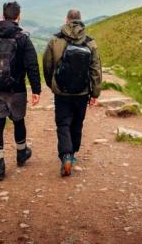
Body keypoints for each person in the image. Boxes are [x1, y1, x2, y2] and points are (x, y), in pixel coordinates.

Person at [0, 1, 41, 181]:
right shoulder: (23, 39)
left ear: (2, 16)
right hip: (17, 89)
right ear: (18, 17)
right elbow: (32, 66)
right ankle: (21, 155)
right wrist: (36, 90)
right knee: (18, 122)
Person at [43, 9, 102, 177]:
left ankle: (66, 155)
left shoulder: (55, 40)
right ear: (80, 21)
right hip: (82, 92)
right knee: (77, 123)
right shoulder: (90, 42)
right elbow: (95, 70)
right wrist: (95, 93)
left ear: (67, 20)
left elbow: (47, 65)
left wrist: (52, 84)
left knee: (63, 123)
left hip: (61, 92)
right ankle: (73, 154)